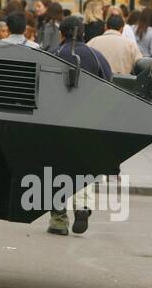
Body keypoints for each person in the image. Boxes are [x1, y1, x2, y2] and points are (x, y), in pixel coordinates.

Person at [47, 16, 113, 236]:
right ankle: (83, 205)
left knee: (55, 170)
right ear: (84, 33)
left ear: (62, 34)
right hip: (89, 122)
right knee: (83, 168)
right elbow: (109, 90)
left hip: (57, 122)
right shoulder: (97, 57)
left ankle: (58, 220)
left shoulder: (53, 54)